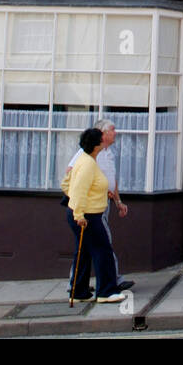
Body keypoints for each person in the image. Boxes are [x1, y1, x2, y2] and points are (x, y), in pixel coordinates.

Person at [65, 119, 133, 291]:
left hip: (101, 204)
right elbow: (70, 175)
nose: (115, 132)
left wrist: (118, 201)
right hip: (91, 207)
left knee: (87, 246)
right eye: (112, 129)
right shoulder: (87, 155)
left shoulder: (108, 153)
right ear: (102, 134)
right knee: (102, 244)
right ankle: (110, 283)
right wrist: (78, 207)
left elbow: (111, 180)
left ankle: (77, 285)